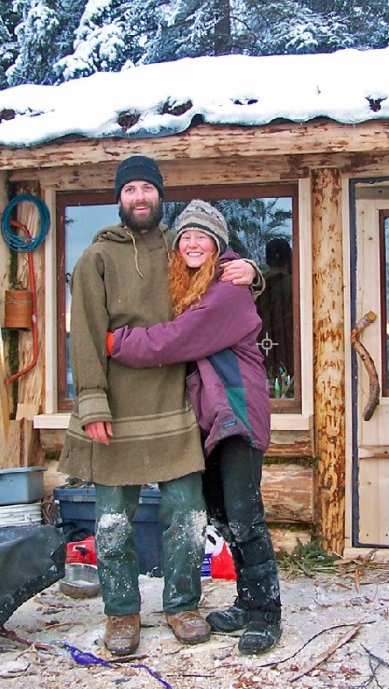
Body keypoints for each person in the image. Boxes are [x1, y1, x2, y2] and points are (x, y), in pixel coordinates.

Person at [59, 157, 258, 657]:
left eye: (148, 187)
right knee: (112, 521)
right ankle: (121, 612)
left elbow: (211, 257)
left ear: (160, 195)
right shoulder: (95, 258)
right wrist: (91, 402)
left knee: (186, 513)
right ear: (120, 199)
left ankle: (182, 604)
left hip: (174, 404)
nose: (141, 197)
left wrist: (249, 269)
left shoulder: (176, 245)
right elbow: (85, 335)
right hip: (115, 407)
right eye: (131, 190)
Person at [108, 200, 282, 656]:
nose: (191, 242)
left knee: (245, 515)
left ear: (217, 244)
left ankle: (266, 613)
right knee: (223, 514)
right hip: (211, 417)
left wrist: (116, 342)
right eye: (185, 235)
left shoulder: (226, 292)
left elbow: (175, 339)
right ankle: (247, 600)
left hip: (237, 415)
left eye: (201, 236)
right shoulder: (188, 285)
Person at [256, 237, 293, 397]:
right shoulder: (295, 284)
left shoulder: (258, 286)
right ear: (290, 259)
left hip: (262, 346)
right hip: (288, 346)